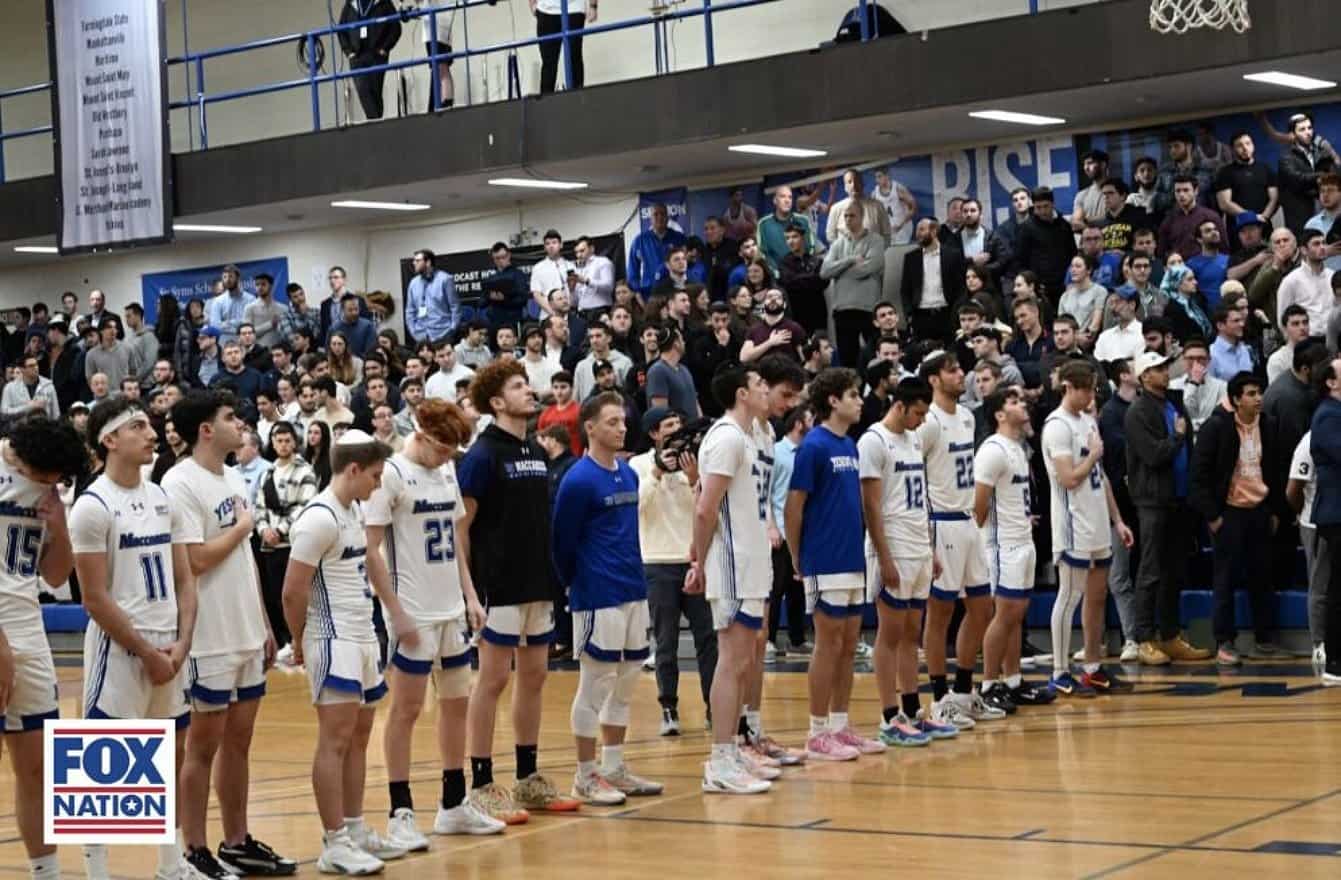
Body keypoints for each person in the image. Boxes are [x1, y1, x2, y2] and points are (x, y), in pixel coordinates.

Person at [161, 390, 293, 878]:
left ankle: (236, 841)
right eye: (232, 417)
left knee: (240, 743)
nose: (242, 424)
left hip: (242, 628)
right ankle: (194, 847)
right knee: (203, 746)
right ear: (206, 430)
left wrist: (261, 621)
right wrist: (242, 528)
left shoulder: (235, 476)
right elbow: (193, 560)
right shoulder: (179, 482)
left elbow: (245, 559)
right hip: (208, 636)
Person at [363, 399, 505, 847]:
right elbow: (370, 552)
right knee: (405, 709)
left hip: (450, 610)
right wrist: (396, 613)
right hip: (413, 612)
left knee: (456, 703)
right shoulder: (389, 474)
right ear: (420, 436)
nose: (449, 456)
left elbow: (454, 540)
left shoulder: (446, 470)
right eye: (443, 447)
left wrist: (470, 596)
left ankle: (453, 803)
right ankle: (400, 810)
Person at [73, 399, 195, 880]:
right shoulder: (92, 505)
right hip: (121, 648)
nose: (152, 432)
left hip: (170, 647)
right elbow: (94, 598)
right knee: (101, 764)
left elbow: (186, 580)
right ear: (109, 440)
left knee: (171, 754)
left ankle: (171, 864)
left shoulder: (164, 496)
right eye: (138, 426)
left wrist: (182, 644)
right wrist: (145, 651)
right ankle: (96, 870)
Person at [281, 429, 408, 874]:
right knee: (334, 740)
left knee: (358, 736)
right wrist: (298, 641)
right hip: (331, 639)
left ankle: (353, 829)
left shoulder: (352, 508)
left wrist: (393, 610)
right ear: (353, 470)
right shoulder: (318, 518)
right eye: (374, 476)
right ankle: (333, 841)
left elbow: (370, 560)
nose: (377, 485)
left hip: (362, 634)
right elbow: (292, 591)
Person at [458, 361, 579, 821]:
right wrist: (470, 592)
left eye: (528, 383)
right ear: (495, 402)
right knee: (492, 681)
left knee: (535, 678)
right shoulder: (482, 455)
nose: (529, 391)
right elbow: (461, 527)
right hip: (498, 585)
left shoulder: (533, 448)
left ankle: (527, 778)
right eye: (517, 386)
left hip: (537, 582)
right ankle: (482, 782)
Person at [551, 392, 665, 804]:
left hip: (633, 587)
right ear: (591, 428)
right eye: (613, 422)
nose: (621, 427)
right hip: (597, 593)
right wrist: (575, 585)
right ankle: (585, 774)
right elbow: (561, 543)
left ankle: (614, 767)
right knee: (595, 683)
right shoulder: (578, 480)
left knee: (627, 682)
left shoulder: (629, 474)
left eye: (623, 421)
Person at [0, 414, 88, 880]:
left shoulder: (50, 488)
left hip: (28, 624)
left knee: (37, 764)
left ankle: (46, 873)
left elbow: (55, 575)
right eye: (47, 478)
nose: (52, 485)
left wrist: (60, 523)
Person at [686, 365, 776, 795]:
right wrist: (697, 560)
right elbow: (706, 508)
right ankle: (720, 759)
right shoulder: (724, 438)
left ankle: (734, 748)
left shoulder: (748, 438)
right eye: (760, 385)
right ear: (742, 393)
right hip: (732, 561)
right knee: (733, 660)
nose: (766, 391)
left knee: (745, 662)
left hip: (752, 560)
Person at [785, 368, 884, 760]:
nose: (860, 401)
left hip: (851, 557)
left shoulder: (851, 445)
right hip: (823, 559)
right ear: (833, 401)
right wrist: (798, 556)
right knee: (827, 646)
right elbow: (794, 508)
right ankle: (816, 731)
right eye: (853, 395)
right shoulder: (813, 446)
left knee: (847, 647)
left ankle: (841, 726)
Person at [859, 377, 959, 746]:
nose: (921, 420)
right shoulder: (873, 441)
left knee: (911, 633)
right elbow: (870, 505)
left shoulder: (914, 438)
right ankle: (889, 716)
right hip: (893, 546)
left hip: (918, 543)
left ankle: (913, 709)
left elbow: (922, 497)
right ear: (899, 406)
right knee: (890, 633)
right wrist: (884, 556)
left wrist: (930, 548)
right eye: (917, 413)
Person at [915, 351, 1002, 728]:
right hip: (939, 523)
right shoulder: (928, 423)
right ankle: (939, 698)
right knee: (940, 613)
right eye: (952, 370)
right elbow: (912, 478)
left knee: (982, 609)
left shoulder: (967, 416)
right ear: (934, 379)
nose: (961, 374)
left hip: (968, 521)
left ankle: (965, 692)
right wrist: (923, 535)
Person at [1041, 360, 1136, 697]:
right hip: (1072, 525)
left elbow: (1101, 478)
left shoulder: (1086, 421)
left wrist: (1118, 520)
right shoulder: (1057, 426)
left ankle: (1093, 668)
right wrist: (1094, 456)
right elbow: (1068, 478)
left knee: (1097, 596)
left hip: (1096, 520)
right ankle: (1059, 671)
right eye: (1086, 389)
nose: (1091, 396)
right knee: (1068, 598)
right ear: (1069, 387)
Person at [629, 407, 717, 736]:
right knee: (664, 642)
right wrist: (656, 472)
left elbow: (708, 511)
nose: (677, 430)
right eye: (669, 426)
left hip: (694, 560)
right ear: (654, 433)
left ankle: (713, 706)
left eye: (680, 424)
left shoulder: (697, 463)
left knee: (708, 639)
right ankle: (668, 707)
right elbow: (637, 508)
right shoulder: (637, 465)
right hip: (657, 562)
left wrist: (694, 480)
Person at [1189, 372, 1285, 665]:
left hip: (1259, 509)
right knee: (1225, 580)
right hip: (1228, 512)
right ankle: (1224, 642)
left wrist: (1275, 510)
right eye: (1252, 394)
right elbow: (1199, 476)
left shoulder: (1268, 425)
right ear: (1235, 399)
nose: (1259, 399)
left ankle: (1265, 639)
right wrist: (1213, 515)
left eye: (1260, 393)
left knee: (1262, 578)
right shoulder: (1216, 427)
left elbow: (1277, 470)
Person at [974, 387, 1057, 712]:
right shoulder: (993, 450)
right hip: (1001, 545)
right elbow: (979, 504)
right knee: (1004, 615)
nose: (1022, 405)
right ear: (998, 415)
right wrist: (985, 541)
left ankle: (1013, 680)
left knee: (1016, 616)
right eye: (1013, 401)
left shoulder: (1017, 448)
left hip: (1022, 539)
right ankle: (988, 684)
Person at [1124, 352, 1209, 666]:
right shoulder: (1137, 411)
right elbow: (1153, 455)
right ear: (1145, 376)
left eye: (1164, 366)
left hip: (1179, 498)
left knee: (1174, 571)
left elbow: (1187, 447)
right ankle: (1143, 637)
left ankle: (1170, 635)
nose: (1165, 371)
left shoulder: (1173, 402)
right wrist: (1177, 437)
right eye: (1158, 368)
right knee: (1150, 572)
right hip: (1152, 501)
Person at [253, 420, 317, 662]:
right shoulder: (267, 473)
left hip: (293, 543)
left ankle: (303, 640)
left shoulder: (305, 470)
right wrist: (263, 530)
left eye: (287, 440)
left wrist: (279, 530)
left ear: (294, 442)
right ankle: (290, 640)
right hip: (269, 545)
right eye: (278, 440)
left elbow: (304, 505)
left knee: (297, 594)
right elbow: (258, 506)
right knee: (276, 596)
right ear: (272, 443)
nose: (283, 444)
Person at [822, 204, 886, 368]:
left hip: (868, 309)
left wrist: (840, 270)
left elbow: (869, 268)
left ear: (862, 217)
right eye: (846, 216)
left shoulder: (875, 240)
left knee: (875, 357)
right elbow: (824, 272)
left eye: (852, 216)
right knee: (847, 359)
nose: (848, 219)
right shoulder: (838, 244)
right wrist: (849, 260)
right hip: (843, 310)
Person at [1311, 356, 1341, 684]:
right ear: (1331, 382)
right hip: (1337, 514)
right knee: (1338, 589)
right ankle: (1335, 662)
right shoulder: (1328, 417)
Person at [532, 0, 595, 93]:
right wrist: (532, 3)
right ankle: (546, 103)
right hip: (546, 9)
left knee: (574, 57)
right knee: (549, 63)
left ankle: (577, 99)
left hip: (574, 8)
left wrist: (593, 6)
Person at [405, 248, 460, 347]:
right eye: (414, 260)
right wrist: (413, 331)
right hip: (421, 336)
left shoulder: (445, 279)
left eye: (417, 261)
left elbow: (455, 307)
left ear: (428, 262)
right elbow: (410, 311)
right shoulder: (413, 283)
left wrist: (452, 329)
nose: (414, 263)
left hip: (443, 334)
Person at [2, 354, 59, 421]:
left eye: (36, 364)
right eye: (31, 366)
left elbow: (56, 414)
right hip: (19, 429)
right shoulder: (10, 388)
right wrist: (28, 407)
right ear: (22, 369)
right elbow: (4, 414)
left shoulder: (48, 385)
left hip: (43, 428)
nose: (36, 368)